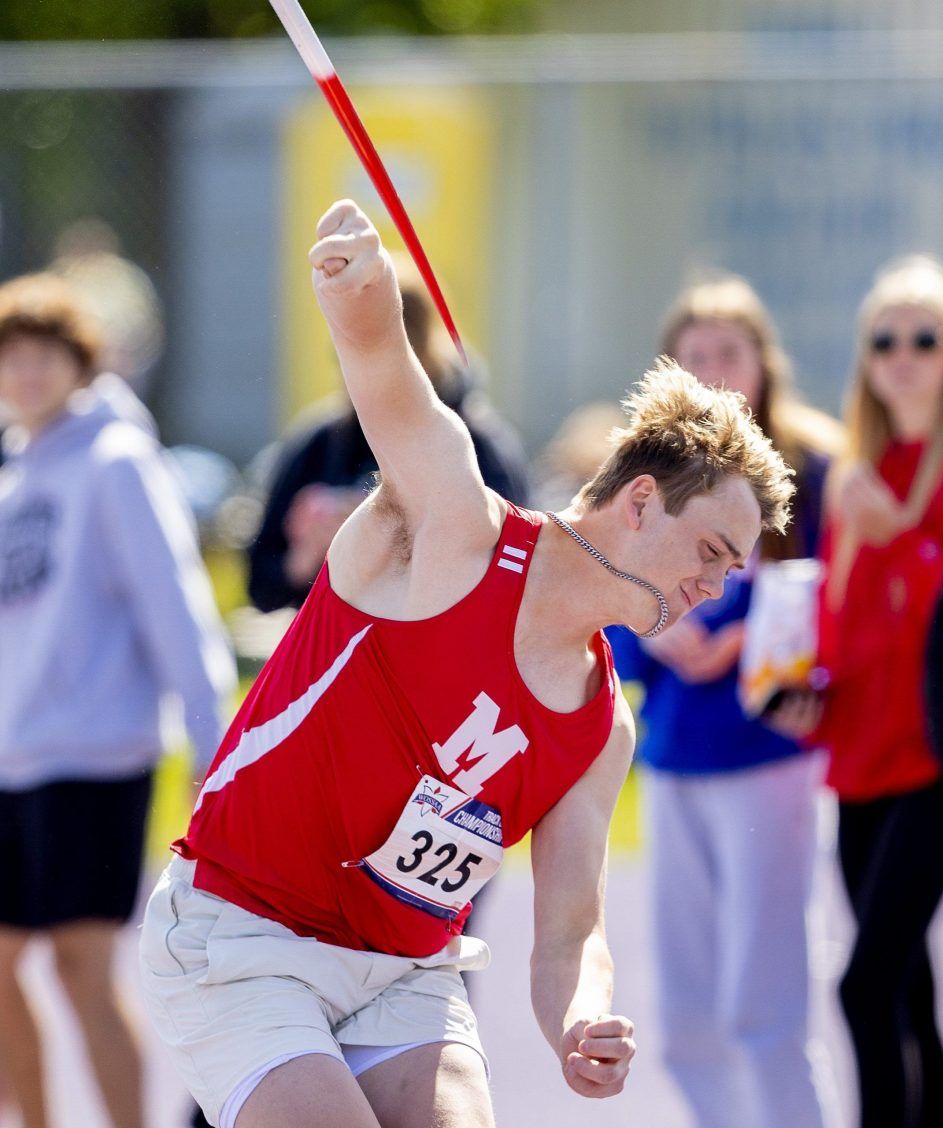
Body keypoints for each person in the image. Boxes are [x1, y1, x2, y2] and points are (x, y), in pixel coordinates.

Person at [137, 199, 795, 1128]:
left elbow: (571, 929)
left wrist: (581, 1016)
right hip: (243, 933)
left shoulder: (602, 724)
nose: (716, 586)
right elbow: (385, 374)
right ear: (641, 502)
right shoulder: (455, 529)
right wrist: (359, 286)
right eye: (713, 554)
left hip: (403, 974)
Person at [0, 274, 237, 1128]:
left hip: (95, 755)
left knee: (80, 968)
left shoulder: (116, 463)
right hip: (14, 757)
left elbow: (174, 606)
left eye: (43, 358)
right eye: (11, 359)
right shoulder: (16, 479)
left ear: (78, 365)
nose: (25, 375)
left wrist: (214, 744)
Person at [609, 274, 840, 1128]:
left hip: (769, 757)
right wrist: (657, 630)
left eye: (729, 354)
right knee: (687, 1014)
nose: (713, 372)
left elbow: (833, 603)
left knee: (765, 1004)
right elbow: (612, 614)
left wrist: (745, 644)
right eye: (695, 356)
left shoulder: (812, 470)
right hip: (673, 758)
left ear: (763, 363)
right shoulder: (645, 480)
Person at [803, 255, 943, 1128]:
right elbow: (847, 626)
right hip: (862, 752)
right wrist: (806, 687)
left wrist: (903, 536)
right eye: (885, 340)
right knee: (906, 988)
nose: (905, 356)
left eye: (926, 337)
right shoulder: (856, 466)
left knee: (864, 982)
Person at [247, 256, 530, 614]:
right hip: (339, 646)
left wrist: (402, 534)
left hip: (442, 656)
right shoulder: (318, 445)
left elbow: (517, 579)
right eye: (350, 350)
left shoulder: (481, 449)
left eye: (378, 351)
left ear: (418, 353)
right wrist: (307, 557)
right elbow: (261, 586)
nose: (361, 370)